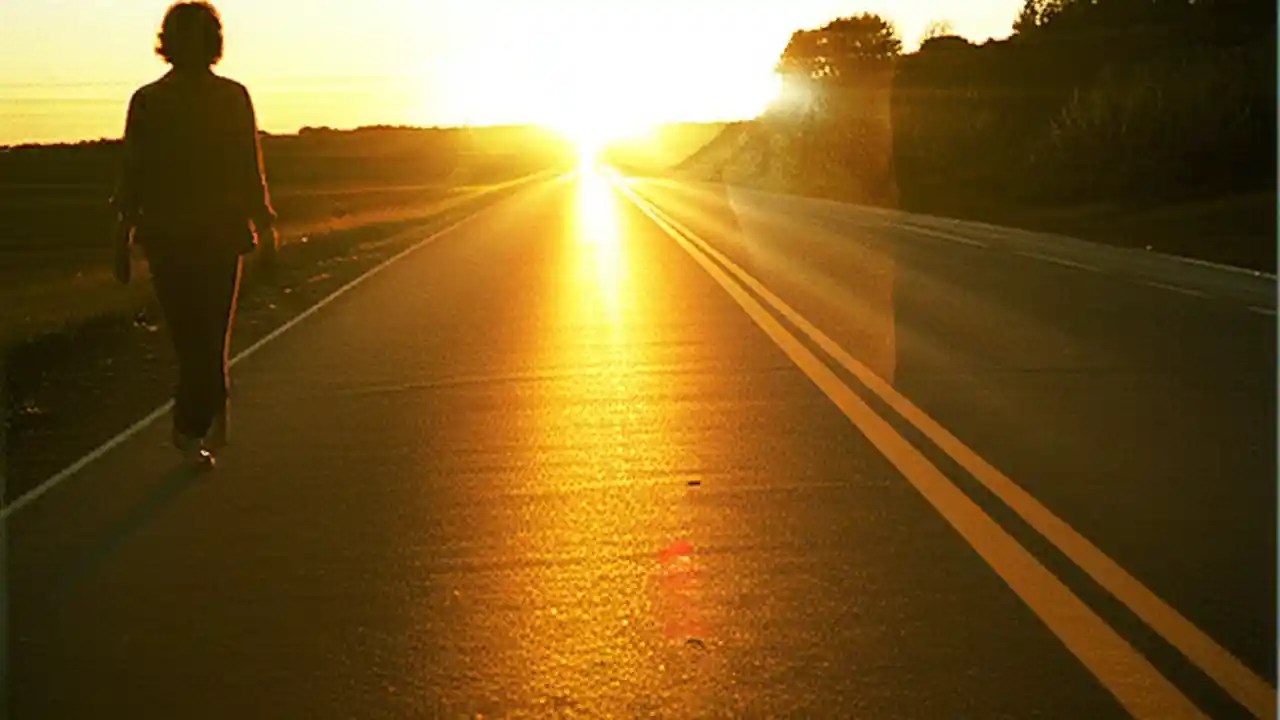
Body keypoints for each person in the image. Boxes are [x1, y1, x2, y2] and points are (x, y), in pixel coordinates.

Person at [113, 2, 277, 468]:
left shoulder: (231, 97)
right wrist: (120, 239)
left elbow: (248, 167)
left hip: (219, 238)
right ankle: (193, 425)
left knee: (210, 340)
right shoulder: (149, 101)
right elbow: (132, 175)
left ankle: (201, 416)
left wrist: (265, 226)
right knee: (194, 344)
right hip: (169, 241)